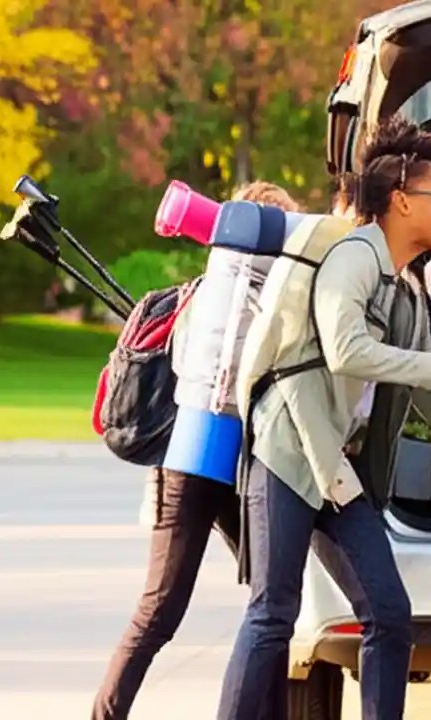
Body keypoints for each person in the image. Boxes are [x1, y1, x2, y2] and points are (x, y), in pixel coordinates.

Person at [217, 116, 431, 720]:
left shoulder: (408, 288)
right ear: (399, 199)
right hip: (290, 450)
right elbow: (346, 349)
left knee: (389, 613)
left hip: (339, 469)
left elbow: (429, 395)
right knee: (272, 614)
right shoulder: (355, 254)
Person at [91, 181, 299, 720]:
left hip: (238, 464)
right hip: (193, 461)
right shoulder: (213, 300)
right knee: (160, 609)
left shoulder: (260, 295)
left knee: (271, 604)